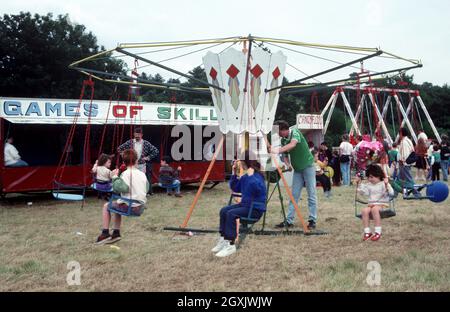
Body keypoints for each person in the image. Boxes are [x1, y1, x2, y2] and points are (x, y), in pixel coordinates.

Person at [211, 152, 266, 257]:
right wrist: (234, 174)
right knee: (224, 210)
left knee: (231, 214)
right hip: (245, 206)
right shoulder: (246, 176)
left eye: (241, 160)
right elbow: (235, 188)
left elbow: (258, 189)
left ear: (246, 162)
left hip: (254, 209)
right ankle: (223, 239)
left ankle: (230, 245)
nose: (240, 163)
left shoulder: (258, 176)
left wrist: (250, 176)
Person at [95, 149, 149, 245]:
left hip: (131, 207)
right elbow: (147, 188)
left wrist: (115, 177)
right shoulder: (142, 174)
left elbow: (120, 188)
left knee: (106, 206)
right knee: (118, 204)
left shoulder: (125, 174)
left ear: (124, 162)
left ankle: (105, 233)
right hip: (140, 207)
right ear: (136, 160)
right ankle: (116, 233)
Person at [271, 120, 318, 230]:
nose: (278, 134)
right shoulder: (283, 140)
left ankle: (312, 220)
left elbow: (293, 144)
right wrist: (288, 164)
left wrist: (276, 150)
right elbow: (286, 154)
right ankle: (289, 220)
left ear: (284, 129)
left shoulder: (295, 132)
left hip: (308, 166)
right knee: (294, 195)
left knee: (311, 193)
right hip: (297, 169)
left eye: (279, 131)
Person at [355, 164, 394, 242]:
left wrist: (387, 184)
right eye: (369, 177)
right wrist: (358, 184)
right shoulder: (369, 185)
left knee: (374, 210)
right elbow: (364, 193)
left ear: (378, 176)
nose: (370, 179)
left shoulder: (383, 183)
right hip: (371, 204)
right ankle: (367, 232)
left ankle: (377, 232)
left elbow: (391, 193)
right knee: (364, 211)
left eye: (372, 177)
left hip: (382, 204)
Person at [117, 127, 159, 195]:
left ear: (141, 135)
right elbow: (119, 149)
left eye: (138, 135)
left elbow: (155, 151)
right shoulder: (130, 142)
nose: (137, 137)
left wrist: (148, 157)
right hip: (131, 165)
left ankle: (142, 192)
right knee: (131, 179)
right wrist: (125, 156)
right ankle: (132, 192)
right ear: (134, 134)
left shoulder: (146, 143)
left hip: (141, 165)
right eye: (136, 135)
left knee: (141, 179)